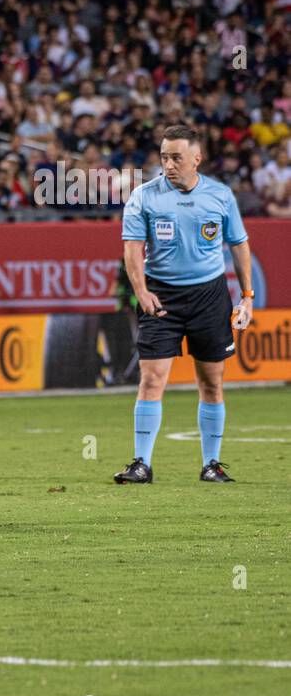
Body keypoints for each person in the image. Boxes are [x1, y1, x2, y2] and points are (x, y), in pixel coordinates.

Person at [115, 124, 254, 485]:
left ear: (197, 158)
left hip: (209, 295)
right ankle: (141, 463)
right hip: (163, 295)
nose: (169, 164)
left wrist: (248, 297)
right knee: (151, 378)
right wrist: (141, 291)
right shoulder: (144, 197)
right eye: (164, 157)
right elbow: (132, 248)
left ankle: (212, 464)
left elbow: (239, 245)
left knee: (211, 382)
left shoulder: (220, 196)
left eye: (176, 157)